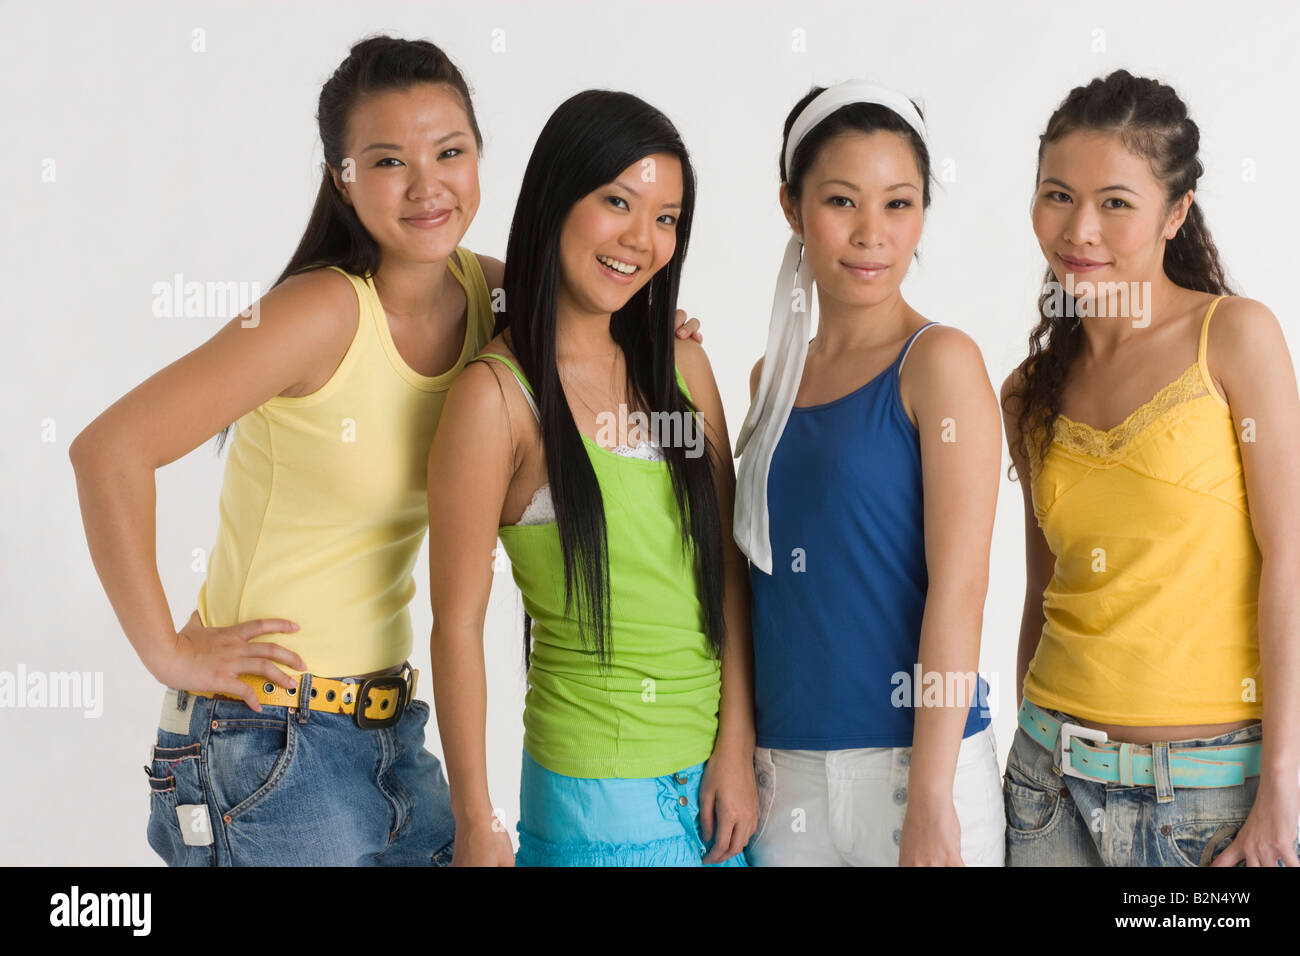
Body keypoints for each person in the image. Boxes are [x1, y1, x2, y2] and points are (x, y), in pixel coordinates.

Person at [68, 34, 706, 867]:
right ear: (343, 178)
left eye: (449, 152)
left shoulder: (489, 294)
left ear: (481, 158)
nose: (426, 186)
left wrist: (661, 323)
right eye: (386, 162)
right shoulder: (320, 313)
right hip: (263, 734)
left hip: (389, 730)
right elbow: (109, 449)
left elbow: (593, 279)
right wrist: (168, 649)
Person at [426, 89, 756, 867]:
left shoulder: (683, 365)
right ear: (555, 197)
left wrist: (737, 744)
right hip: (593, 804)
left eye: (667, 218)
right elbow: (458, 625)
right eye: (618, 202)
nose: (641, 239)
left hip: (720, 795)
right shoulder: (496, 398)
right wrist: (476, 820)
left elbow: (729, 574)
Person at [1000, 69, 1300, 867]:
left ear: (1176, 213)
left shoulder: (1235, 339)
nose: (1080, 230)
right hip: (1048, 788)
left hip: (1211, 801)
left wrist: (1283, 787)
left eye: (1116, 204)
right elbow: (1041, 591)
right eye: (1057, 195)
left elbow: (1289, 563)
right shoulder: (1028, 391)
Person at [733, 80, 1005, 866]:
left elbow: (962, 587)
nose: (871, 234)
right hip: (785, 777)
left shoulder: (940, 364)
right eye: (842, 201)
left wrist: (929, 796)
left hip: (916, 771)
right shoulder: (768, 380)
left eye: (899, 204)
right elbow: (755, 586)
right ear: (792, 206)